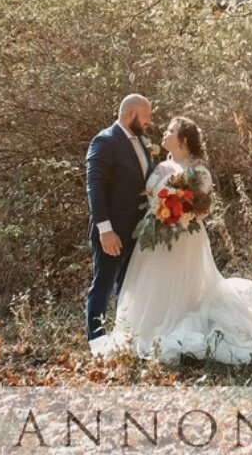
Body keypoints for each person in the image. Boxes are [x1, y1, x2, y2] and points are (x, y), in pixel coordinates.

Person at [93, 115, 252, 365]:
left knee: (183, 282)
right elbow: (149, 196)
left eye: (170, 130)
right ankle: (149, 330)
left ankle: (181, 326)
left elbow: (202, 209)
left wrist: (180, 211)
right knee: (155, 282)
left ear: (183, 140)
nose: (164, 133)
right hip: (155, 237)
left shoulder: (198, 171)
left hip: (185, 238)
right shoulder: (161, 167)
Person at [85, 93, 154, 347]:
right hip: (112, 232)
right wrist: (105, 230)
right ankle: (98, 344)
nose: (148, 121)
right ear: (130, 114)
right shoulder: (104, 141)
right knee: (102, 287)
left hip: (137, 230)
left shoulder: (143, 142)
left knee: (128, 286)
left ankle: (123, 340)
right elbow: (95, 186)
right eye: (145, 116)